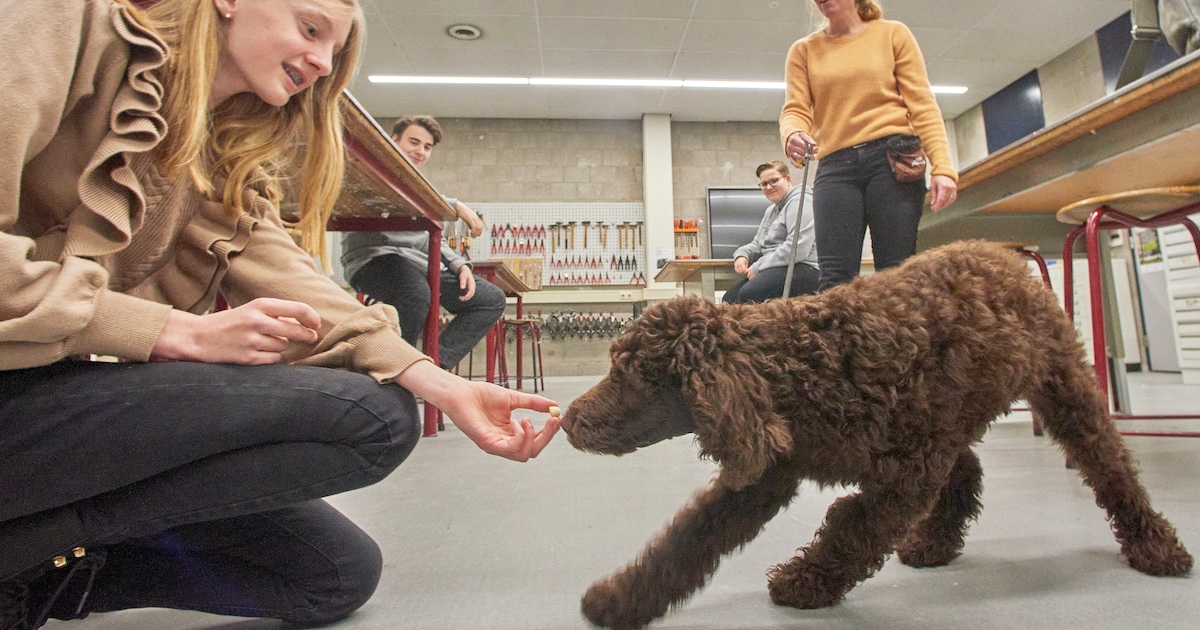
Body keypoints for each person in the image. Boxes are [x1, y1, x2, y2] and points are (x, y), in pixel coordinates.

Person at [0, 1, 559, 628]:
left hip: (56, 391)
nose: (322, 64)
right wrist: (175, 332)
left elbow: (296, 281)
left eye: (334, 53)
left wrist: (443, 384)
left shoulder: (215, 149)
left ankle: (41, 575)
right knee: (373, 417)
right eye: (310, 28)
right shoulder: (65, 23)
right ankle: (22, 549)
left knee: (335, 575)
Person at [780, 0, 958, 291]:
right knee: (835, 280)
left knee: (897, 274)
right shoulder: (804, 50)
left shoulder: (892, 35)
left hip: (892, 161)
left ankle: (900, 338)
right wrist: (792, 133)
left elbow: (923, 105)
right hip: (835, 167)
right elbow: (795, 109)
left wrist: (944, 168)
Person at [341, 116, 505, 370]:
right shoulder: (372, 169)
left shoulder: (417, 187)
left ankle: (432, 366)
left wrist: (460, 265)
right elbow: (398, 188)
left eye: (427, 147)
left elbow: (431, 235)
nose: (420, 151)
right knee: (416, 293)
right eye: (414, 142)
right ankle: (396, 370)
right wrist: (454, 205)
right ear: (394, 140)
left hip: (415, 264)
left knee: (490, 298)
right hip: (373, 260)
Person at [723, 161, 820, 304]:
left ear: (787, 179)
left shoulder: (801, 202)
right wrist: (742, 254)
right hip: (777, 268)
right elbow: (758, 243)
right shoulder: (771, 211)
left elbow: (797, 249)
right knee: (729, 299)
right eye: (764, 184)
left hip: (805, 267)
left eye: (774, 181)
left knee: (749, 296)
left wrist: (758, 266)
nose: (769, 187)